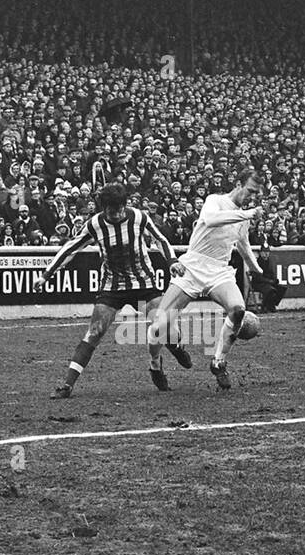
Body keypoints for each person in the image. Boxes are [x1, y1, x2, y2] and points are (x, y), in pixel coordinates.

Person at [40, 181, 191, 399]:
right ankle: (67, 385)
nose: (118, 214)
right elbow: (70, 248)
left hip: (144, 283)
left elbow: (161, 239)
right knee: (94, 333)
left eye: (121, 209)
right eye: (113, 211)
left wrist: (172, 261)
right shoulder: (95, 224)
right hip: (112, 286)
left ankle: (160, 361)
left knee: (162, 326)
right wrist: (46, 274)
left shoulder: (138, 217)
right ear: (104, 208)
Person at [148, 168, 265, 390]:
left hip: (219, 270)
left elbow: (243, 245)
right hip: (192, 267)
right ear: (238, 185)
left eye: (256, 194)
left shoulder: (242, 218)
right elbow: (211, 220)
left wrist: (256, 268)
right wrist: (247, 214)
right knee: (158, 327)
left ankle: (218, 361)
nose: (252, 197)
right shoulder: (215, 201)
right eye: (250, 191)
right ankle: (155, 365)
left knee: (238, 309)